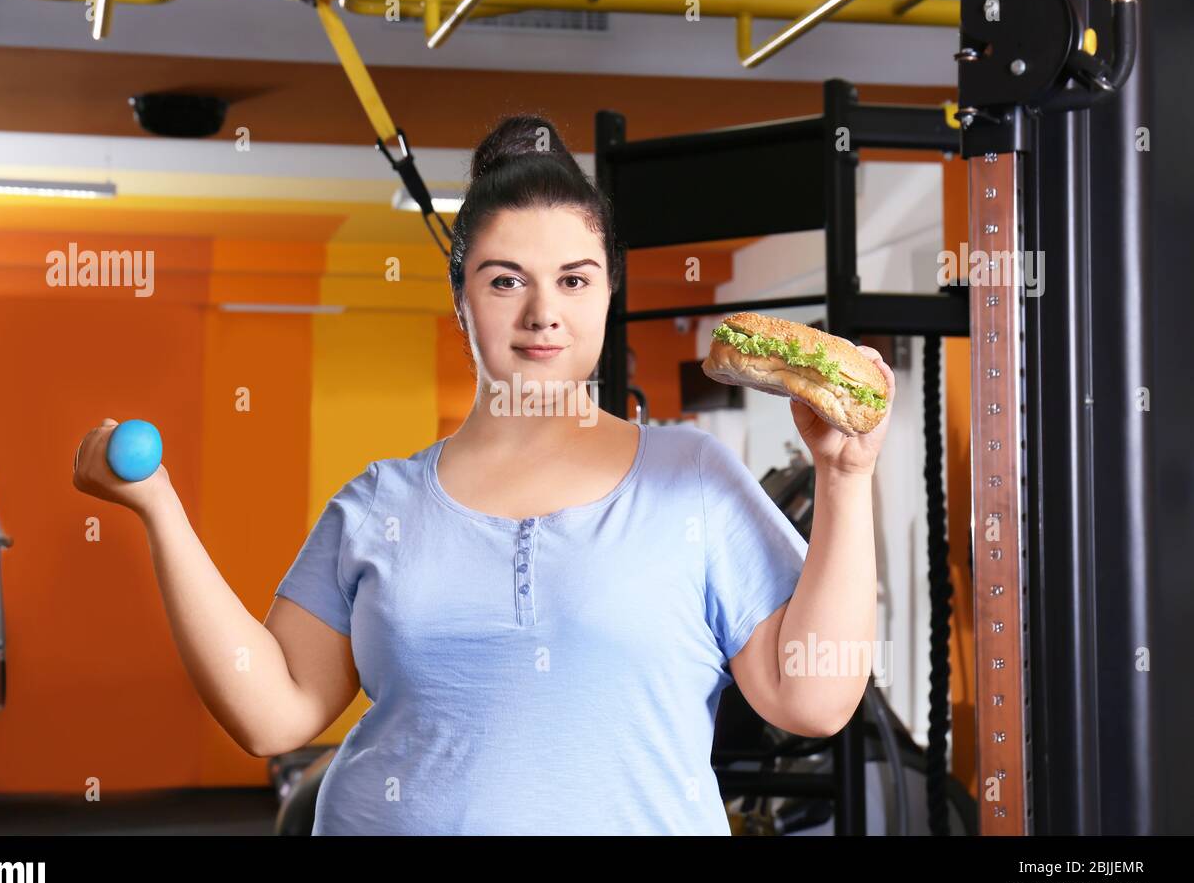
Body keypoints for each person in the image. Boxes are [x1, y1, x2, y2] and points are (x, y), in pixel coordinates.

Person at [72, 112, 894, 835]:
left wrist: (847, 478)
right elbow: (271, 713)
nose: (544, 313)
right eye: (507, 281)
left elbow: (813, 700)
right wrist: (158, 508)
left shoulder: (692, 478)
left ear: (608, 293)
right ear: (460, 296)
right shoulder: (377, 504)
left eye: (575, 279)